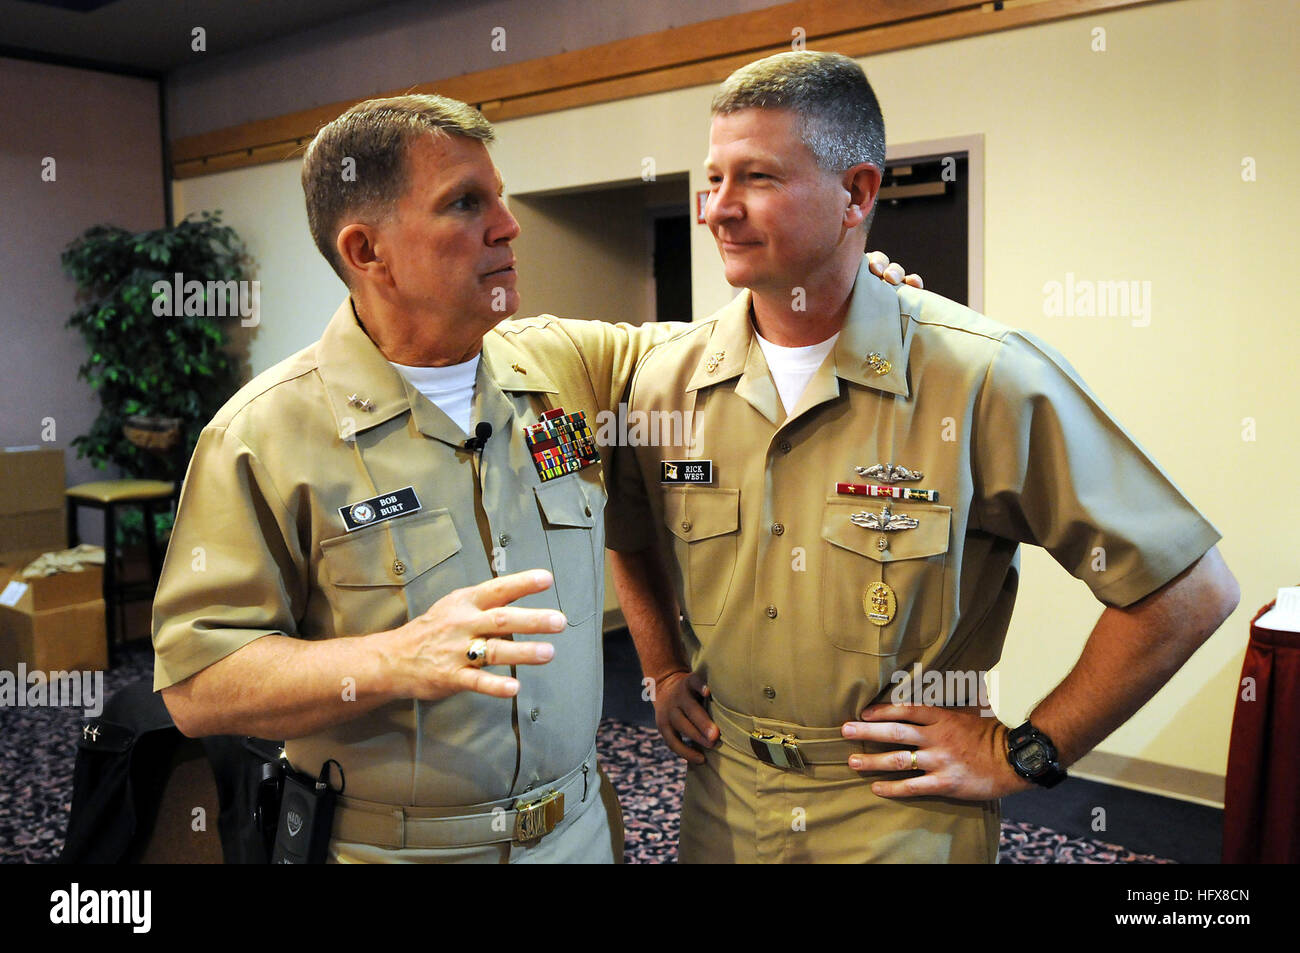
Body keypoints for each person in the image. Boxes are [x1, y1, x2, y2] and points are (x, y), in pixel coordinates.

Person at [150, 91, 914, 862]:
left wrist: (836, 275)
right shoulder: (264, 434)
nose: (508, 225)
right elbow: (197, 683)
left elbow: (734, 346)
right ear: (366, 252)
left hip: (576, 831)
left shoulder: (565, 365)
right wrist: (394, 656)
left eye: (500, 198)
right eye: (465, 203)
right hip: (396, 849)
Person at [606, 51, 1240, 863]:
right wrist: (660, 670)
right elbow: (631, 531)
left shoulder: (980, 376)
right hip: (721, 800)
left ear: (858, 194)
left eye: (757, 178)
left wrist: (1026, 752)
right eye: (714, 178)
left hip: (895, 810)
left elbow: (1187, 590)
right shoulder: (669, 381)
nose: (718, 210)